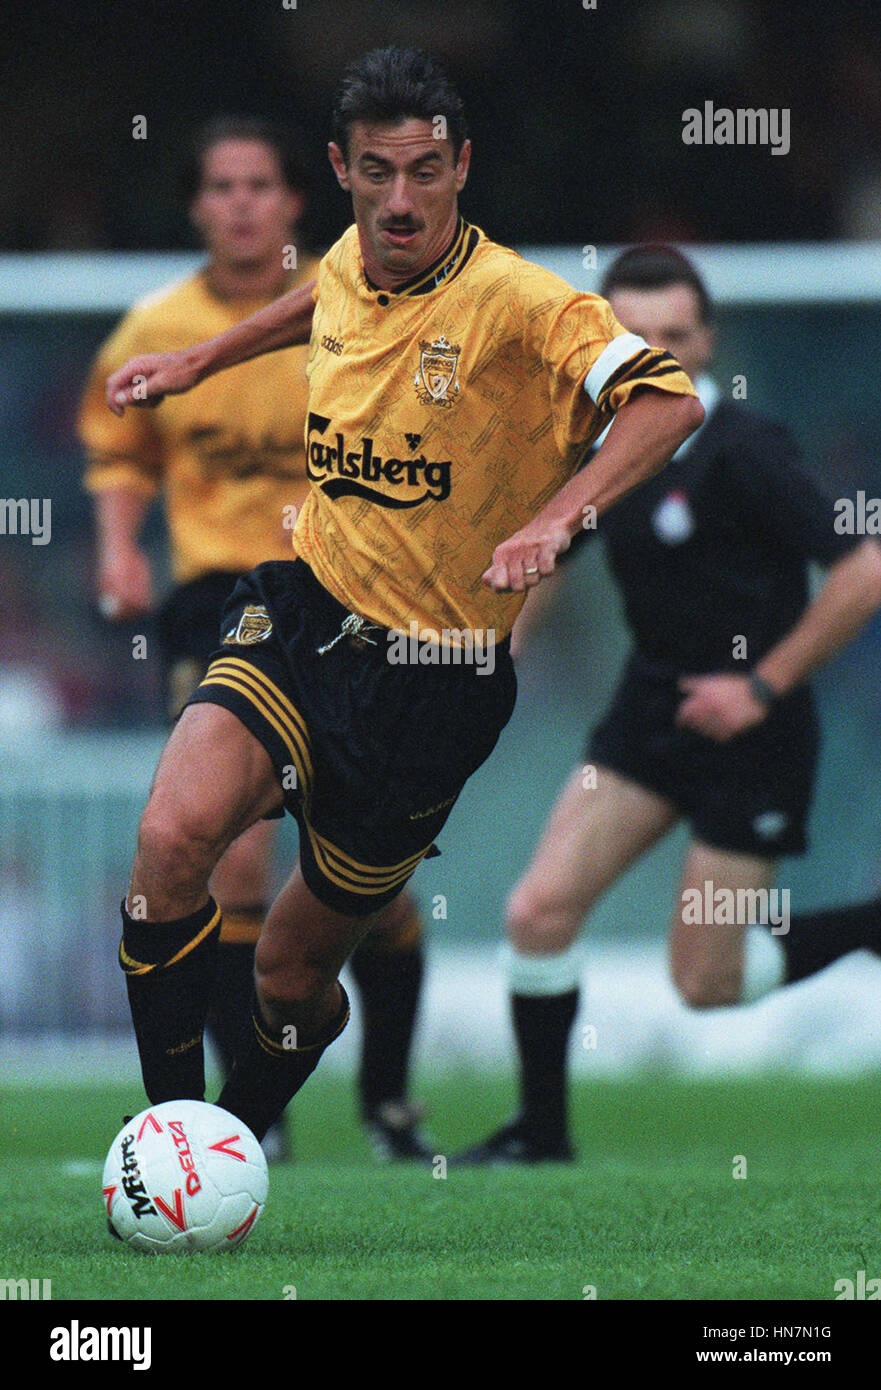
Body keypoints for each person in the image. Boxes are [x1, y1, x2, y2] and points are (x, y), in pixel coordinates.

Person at [102, 49, 702, 1151]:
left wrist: (553, 516)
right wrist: (201, 358)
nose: (398, 199)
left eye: (424, 171)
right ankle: (172, 1134)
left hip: (432, 687)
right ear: (339, 168)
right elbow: (311, 301)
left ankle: (238, 1132)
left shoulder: (519, 303)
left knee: (291, 978)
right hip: (302, 611)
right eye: (375, 171)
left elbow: (668, 402)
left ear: (461, 167)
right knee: (170, 835)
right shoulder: (346, 255)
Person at [456, 244, 881, 1165]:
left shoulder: (747, 449)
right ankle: (541, 1133)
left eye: (675, 336)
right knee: (536, 913)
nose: (657, 351)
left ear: (706, 340)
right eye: (634, 335)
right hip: (649, 715)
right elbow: (542, 562)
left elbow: (863, 569)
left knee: (705, 986)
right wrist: (492, 653)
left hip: (756, 726)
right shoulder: (601, 454)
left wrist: (759, 685)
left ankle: (867, 924)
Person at [80, 115, 432, 1161]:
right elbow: (121, 450)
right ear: (196, 206)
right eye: (219, 186)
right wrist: (114, 547)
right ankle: (238, 1126)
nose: (238, 203)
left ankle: (388, 1105)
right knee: (226, 863)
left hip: (345, 599)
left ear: (293, 201)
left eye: (257, 185)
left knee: (374, 884)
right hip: (216, 604)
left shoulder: (350, 312)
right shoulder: (154, 324)